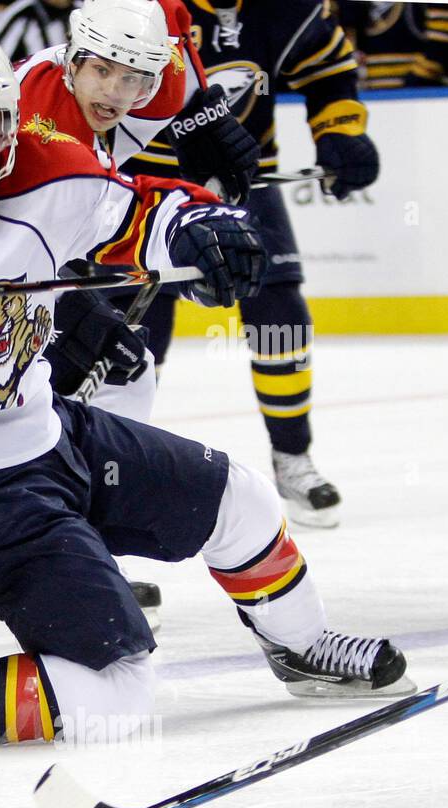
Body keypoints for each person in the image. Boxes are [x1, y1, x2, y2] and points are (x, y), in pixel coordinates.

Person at [0, 37, 412, 751]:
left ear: (12, 130)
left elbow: (139, 215)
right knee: (114, 692)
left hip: (55, 433)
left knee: (244, 500)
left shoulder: (54, 173)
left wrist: (203, 227)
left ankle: (304, 646)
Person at [121, 0, 381, 529]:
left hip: (244, 182)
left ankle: (292, 458)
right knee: (133, 338)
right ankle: (114, 476)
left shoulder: (289, 7)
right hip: (143, 189)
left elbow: (328, 72)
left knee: (281, 316)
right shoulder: (143, 6)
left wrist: (341, 132)